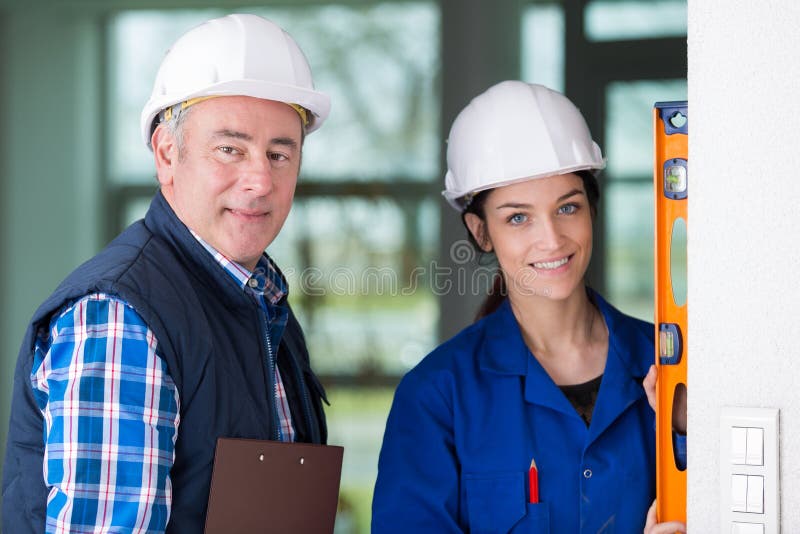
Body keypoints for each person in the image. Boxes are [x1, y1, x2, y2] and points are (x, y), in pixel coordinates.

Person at [2, 14, 331, 533]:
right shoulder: (120, 317)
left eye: (279, 153)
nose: (260, 180)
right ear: (167, 154)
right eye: (231, 149)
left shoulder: (262, 305)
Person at [372, 81, 687, 533]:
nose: (552, 239)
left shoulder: (669, 368)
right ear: (481, 232)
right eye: (518, 217)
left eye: (568, 208)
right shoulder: (437, 396)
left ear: (592, 210)